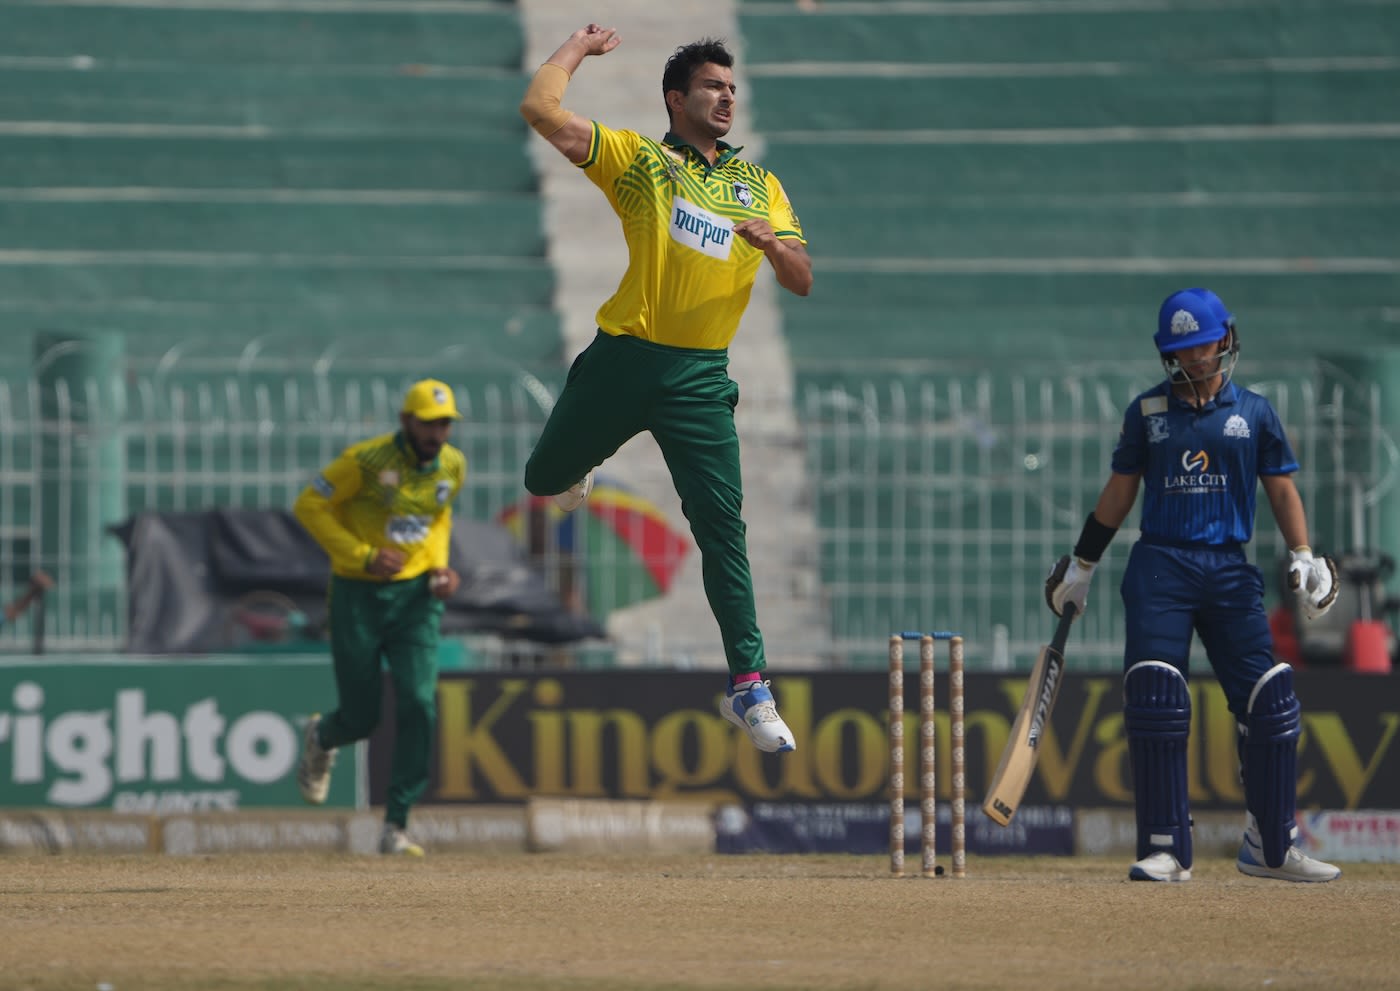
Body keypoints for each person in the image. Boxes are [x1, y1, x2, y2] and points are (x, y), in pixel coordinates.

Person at [518, 25, 812, 752]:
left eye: (733, 88)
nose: (727, 97)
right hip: (625, 358)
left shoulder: (759, 183)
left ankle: (749, 685)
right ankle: (581, 461)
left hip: (699, 378)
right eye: (713, 86)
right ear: (676, 98)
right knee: (543, 478)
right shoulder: (639, 159)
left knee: (723, 529)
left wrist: (773, 243)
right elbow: (541, 110)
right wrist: (576, 51)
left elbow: (803, 278)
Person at [1045, 288, 1341, 883]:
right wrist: (1082, 563)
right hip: (1161, 565)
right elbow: (1121, 491)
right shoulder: (1148, 413)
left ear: (1225, 339)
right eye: (1185, 349)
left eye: (1205, 344)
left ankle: (1272, 845)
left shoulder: (1254, 412)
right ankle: (1165, 848)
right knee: (1156, 696)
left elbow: (1281, 488)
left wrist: (1304, 554)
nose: (1198, 358)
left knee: (1271, 699)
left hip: (1229, 567)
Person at [292, 379, 466, 856]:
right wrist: (363, 554)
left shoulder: (452, 465)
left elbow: (439, 518)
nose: (438, 433)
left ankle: (396, 825)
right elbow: (309, 505)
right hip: (358, 595)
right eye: (429, 424)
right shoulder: (365, 462)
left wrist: (439, 567)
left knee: (419, 703)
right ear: (407, 421)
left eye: (445, 423)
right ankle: (322, 734)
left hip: (415, 602)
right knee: (361, 717)